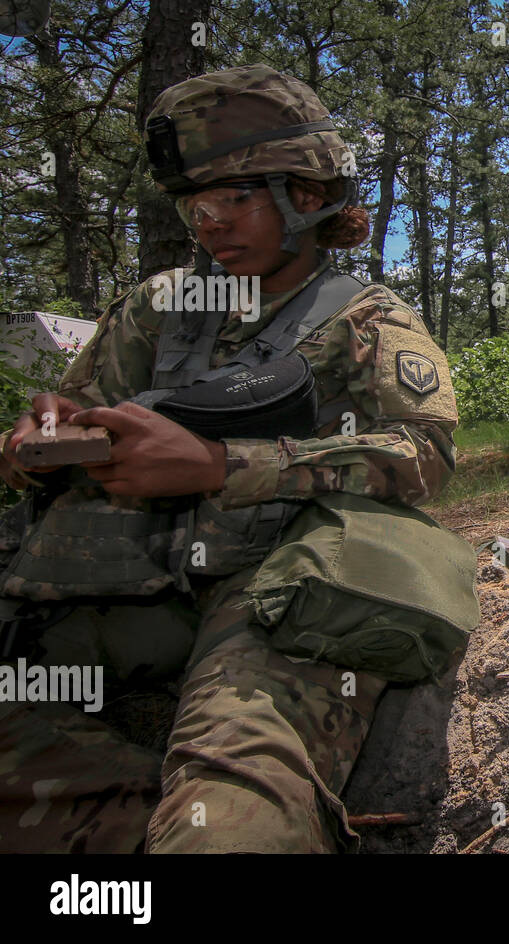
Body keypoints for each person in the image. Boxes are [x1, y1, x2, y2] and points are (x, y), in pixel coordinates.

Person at [0, 64, 476, 853]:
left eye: (239, 197)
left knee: (234, 818)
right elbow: (77, 411)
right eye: (196, 202)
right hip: (116, 580)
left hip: (272, 581)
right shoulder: (158, 305)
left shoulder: (364, 316)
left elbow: (420, 455)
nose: (211, 221)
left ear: (309, 196)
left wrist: (223, 467)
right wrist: (37, 440)